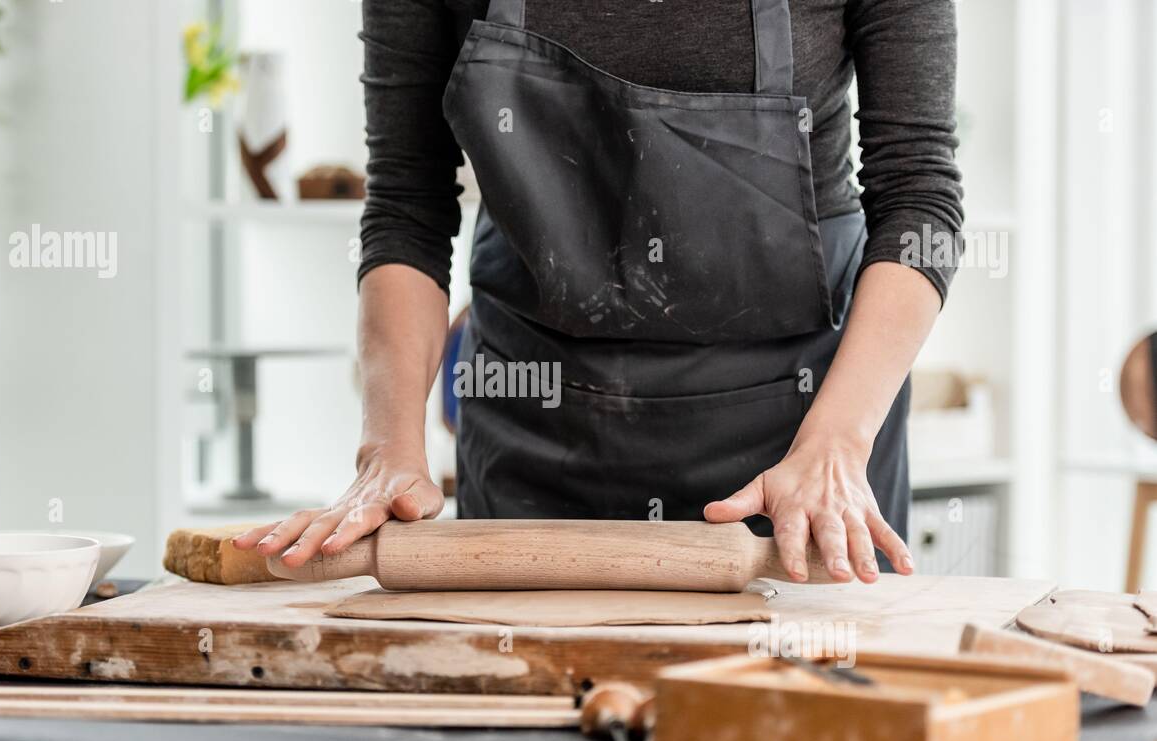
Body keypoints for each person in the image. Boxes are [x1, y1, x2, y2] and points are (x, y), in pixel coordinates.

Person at [236, 0, 964, 585]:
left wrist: (836, 443)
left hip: (800, 440)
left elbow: (920, 201)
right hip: (541, 425)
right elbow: (406, 208)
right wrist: (389, 448)